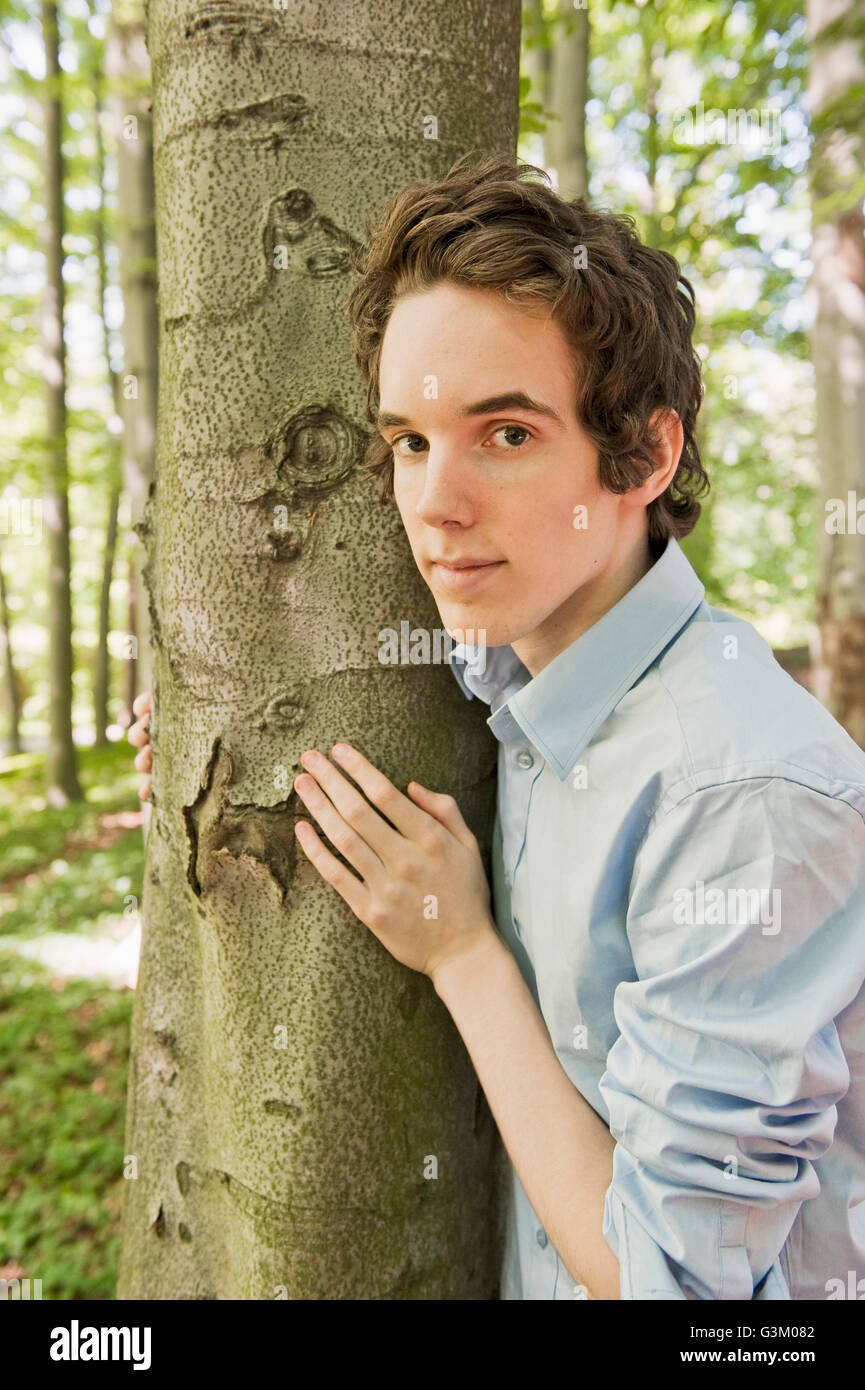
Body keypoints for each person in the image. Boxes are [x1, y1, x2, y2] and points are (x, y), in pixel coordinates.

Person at [128, 153, 865, 1301]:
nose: (433, 503)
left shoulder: (741, 794)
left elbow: (677, 1289)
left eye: (505, 434)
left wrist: (465, 955)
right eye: (410, 440)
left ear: (646, 454)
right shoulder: (513, 676)